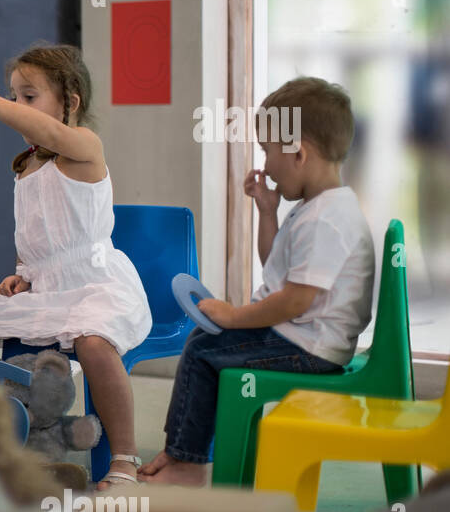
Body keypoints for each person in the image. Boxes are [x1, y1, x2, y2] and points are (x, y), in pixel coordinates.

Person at [140, 77, 372, 486]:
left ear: (298, 152)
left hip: (310, 347)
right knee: (204, 343)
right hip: (306, 337)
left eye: (267, 151)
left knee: (204, 351)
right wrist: (268, 212)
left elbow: (294, 301)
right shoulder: (318, 208)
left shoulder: (326, 220)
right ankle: (182, 452)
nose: (264, 165)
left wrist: (234, 316)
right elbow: (278, 271)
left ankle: (186, 463)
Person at [0, 43, 152, 490]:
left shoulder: (84, 147)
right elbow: (36, 238)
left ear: (70, 101)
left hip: (96, 284)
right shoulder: (26, 166)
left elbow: (52, 138)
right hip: (46, 290)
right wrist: (22, 273)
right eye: (12, 96)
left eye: (28, 97)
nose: (18, 107)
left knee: (94, 343)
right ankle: (0, 429)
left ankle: (125, 459)